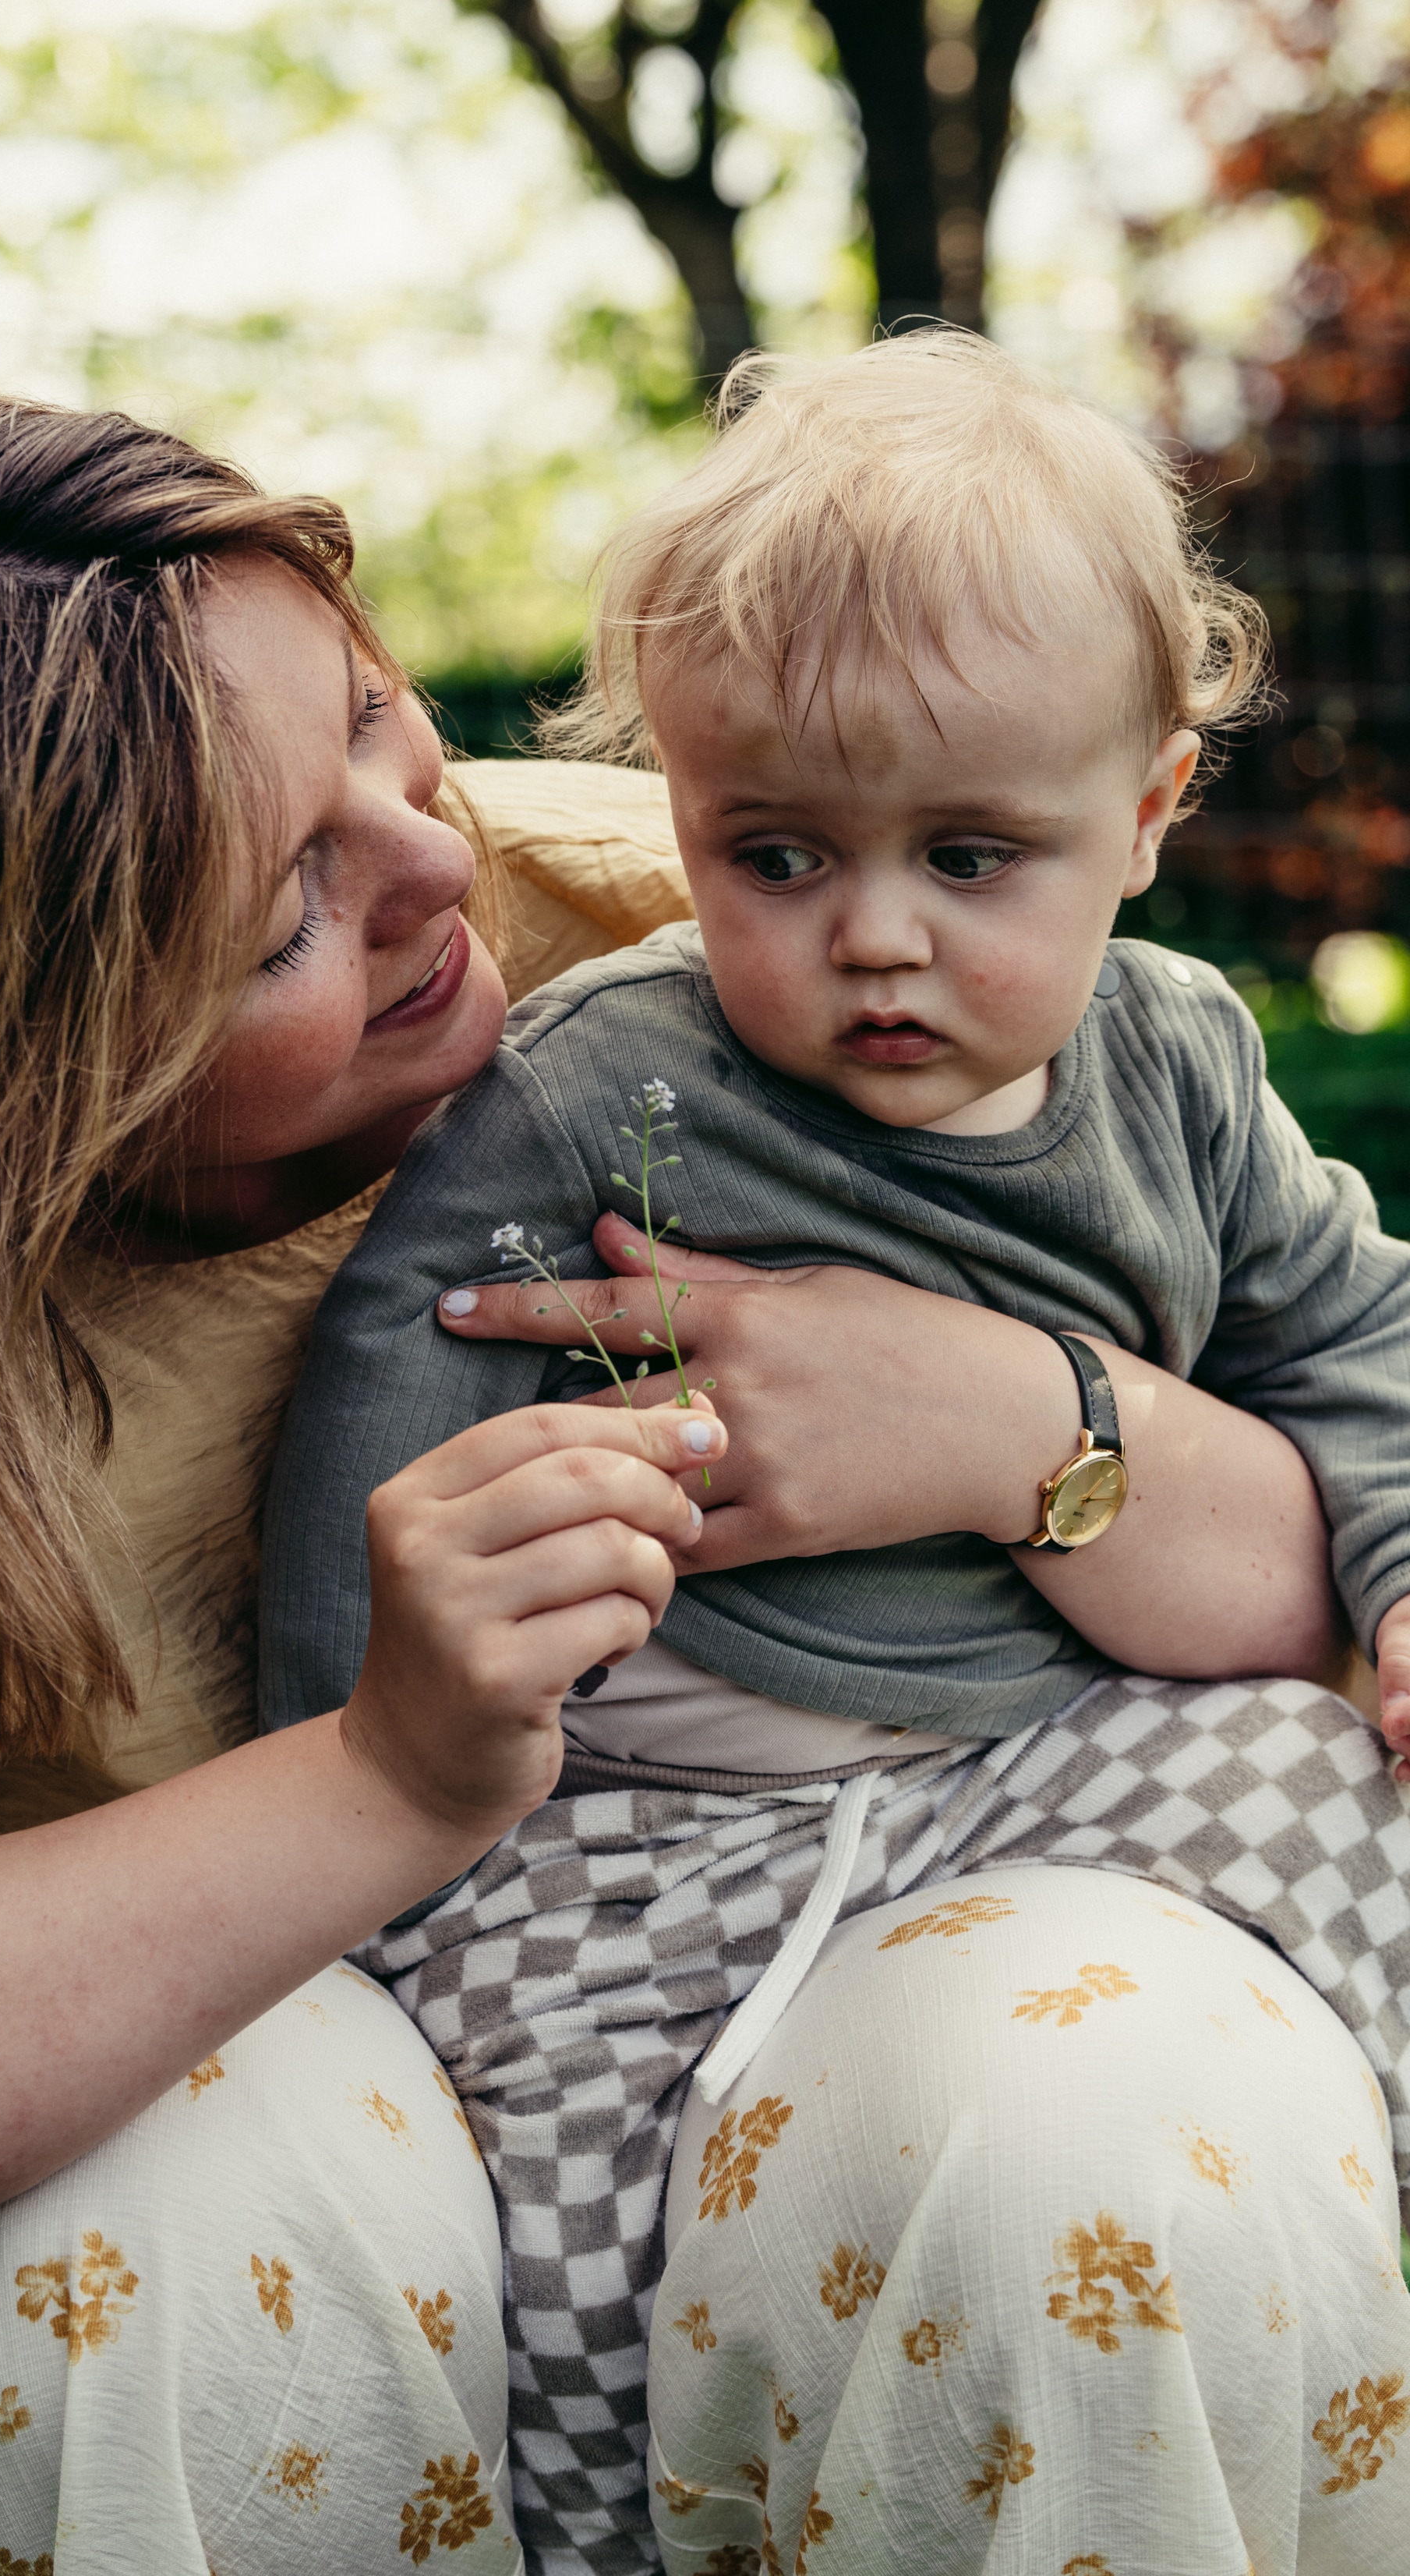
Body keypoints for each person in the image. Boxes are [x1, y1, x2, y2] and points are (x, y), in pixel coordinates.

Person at [0, 392, 1368, 2576]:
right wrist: (387, 1773)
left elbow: (1338, 1545)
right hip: (330, 2135)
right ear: (6, 1072)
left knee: (1095, 2127)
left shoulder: (772, 896)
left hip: (924, 1941)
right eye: (286, 912)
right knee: (161, 2225)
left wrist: (1027, 1424)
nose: (434, 862)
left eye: (384, 725)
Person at [260, 333, 1410, 2574]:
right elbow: (392, 1405)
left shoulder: (1176, 1066)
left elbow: (1351, 1329)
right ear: (680, 802)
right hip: (657, 1804)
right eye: (772, 853)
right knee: (569, 2243)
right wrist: (357, 1729)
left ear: (1152, 814)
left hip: (1053, 1755)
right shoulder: (615, 1091)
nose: (873, 934)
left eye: (972, 856)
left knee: (1334, 1787)